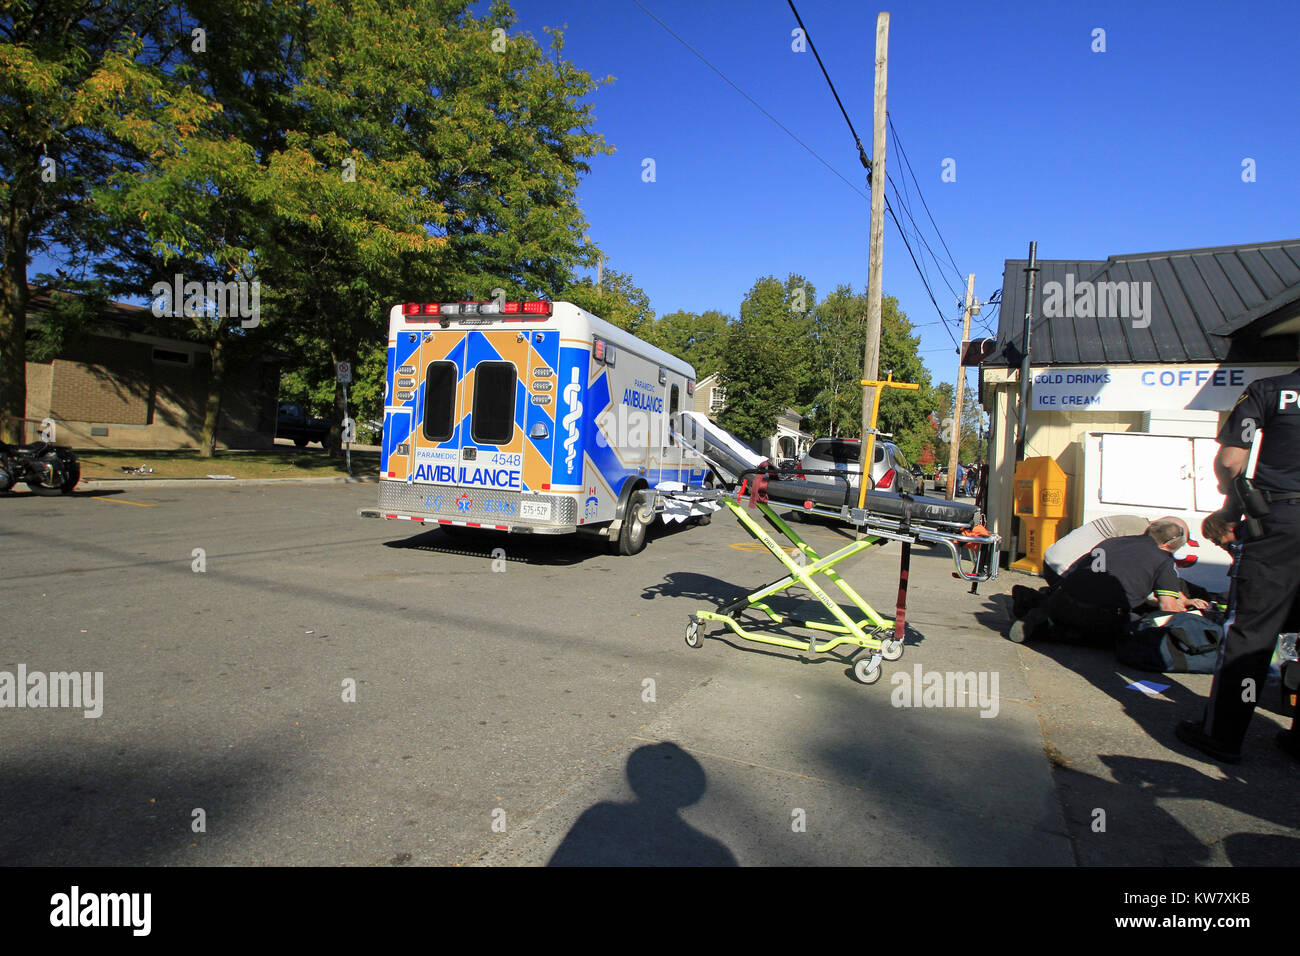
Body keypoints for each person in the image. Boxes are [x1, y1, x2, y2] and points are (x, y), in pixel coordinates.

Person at [1176, 352, 1300, 765]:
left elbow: (1232, 461)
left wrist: (1231, 509)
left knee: (1251, 631)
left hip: (1280, 522)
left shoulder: (1270, 391)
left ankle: (1222, 735)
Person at [1008, 517, 1208, 645]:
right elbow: (1167, 608)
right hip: (1104, 617)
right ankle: (1055, 631)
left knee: (1075, 603)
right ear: (1169, 544)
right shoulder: (1163, 561)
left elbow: (1084, 571)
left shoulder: (1112, 542)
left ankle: (1040, 612)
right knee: (1137, 629)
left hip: (1063, 600)